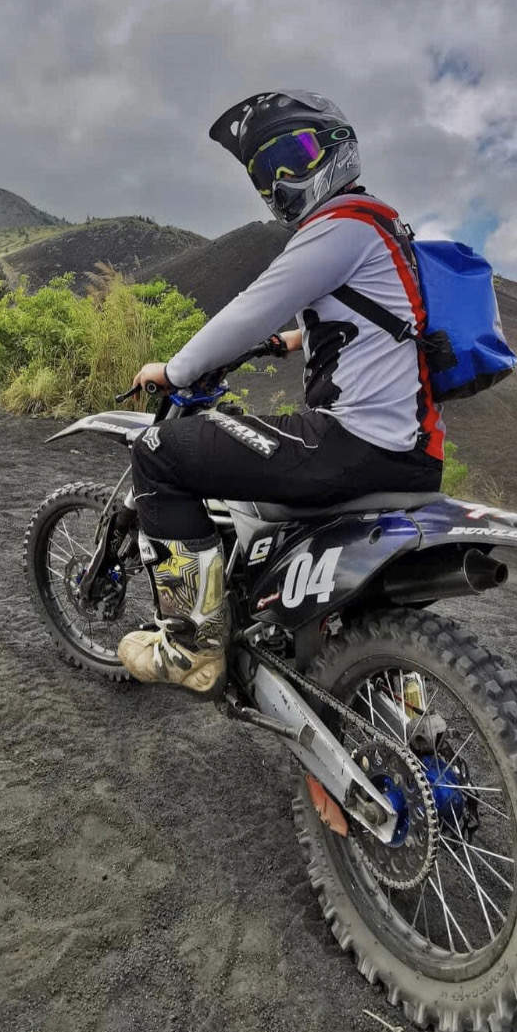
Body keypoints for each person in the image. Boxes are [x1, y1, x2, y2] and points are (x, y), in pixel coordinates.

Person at [117, 90, 445, 692]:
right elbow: (380, 318)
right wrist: (293, 341)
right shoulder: (385, 226)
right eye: (265, 170)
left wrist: (178, 369)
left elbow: (253, 307)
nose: (281, 179)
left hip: (354, 443)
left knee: (158, 452)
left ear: (338, 148)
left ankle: (192, 648)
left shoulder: (342, 224)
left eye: (295, 155)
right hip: (411, 449)